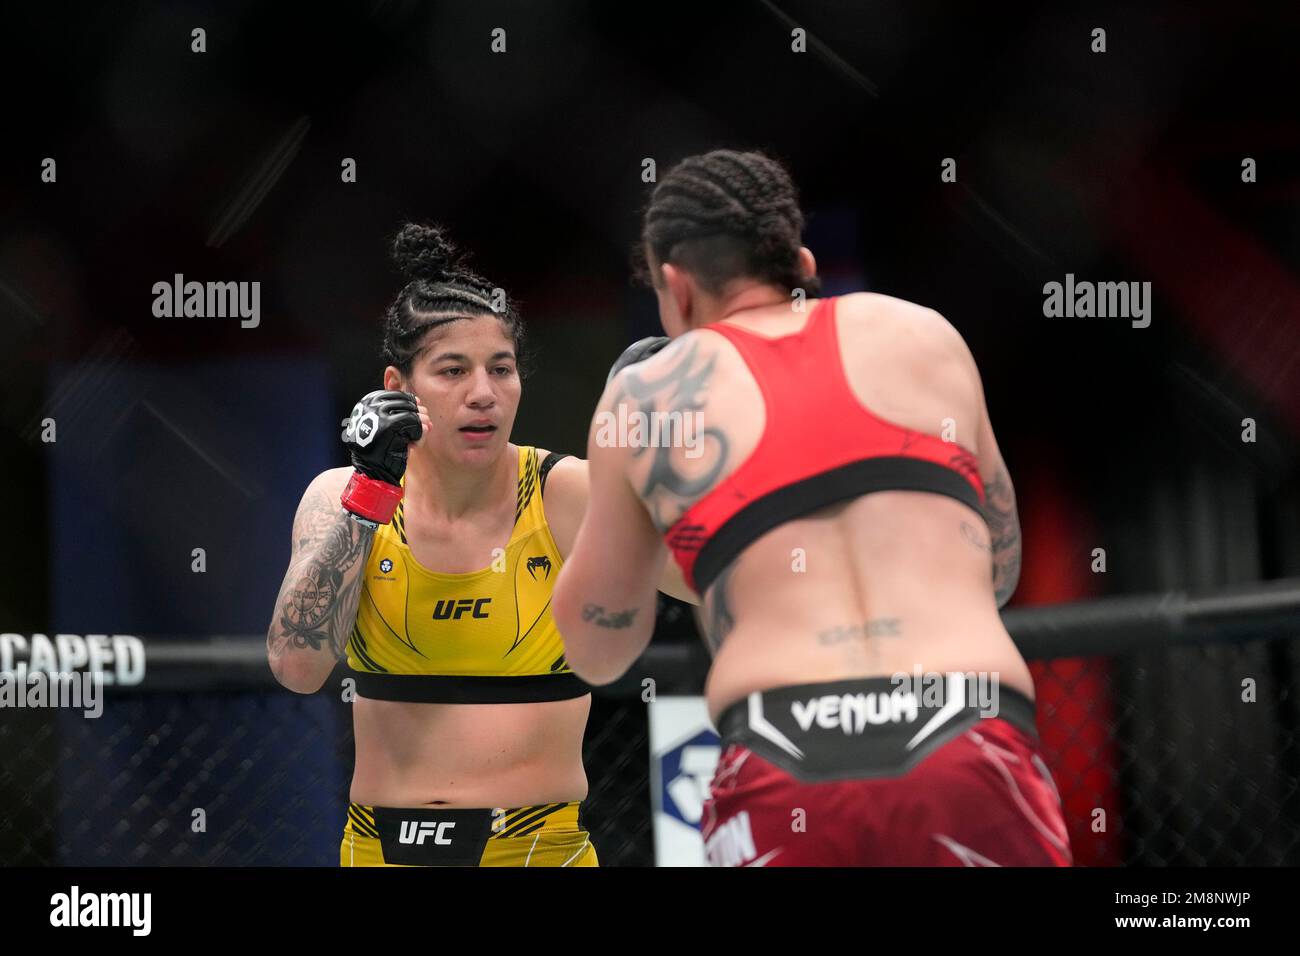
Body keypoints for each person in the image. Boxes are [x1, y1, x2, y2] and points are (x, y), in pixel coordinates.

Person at [553, 149, 1072, 866]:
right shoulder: (927, 336)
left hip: (782, 752)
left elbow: (600, 649)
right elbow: (999, 567)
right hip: (966, 730)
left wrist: (624, 506)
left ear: (675, 286)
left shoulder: (651, 397)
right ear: (797, 258)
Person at [265, 223, 693, 867]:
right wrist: (372, 493)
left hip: (539, 850)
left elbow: (707, 582)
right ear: (397, 385)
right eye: (453, 370)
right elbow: (297, 668)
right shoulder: (338, 496)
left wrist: (659, 468)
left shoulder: (565, 492)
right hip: (379, 851)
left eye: (501, 368)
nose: (484, 393)